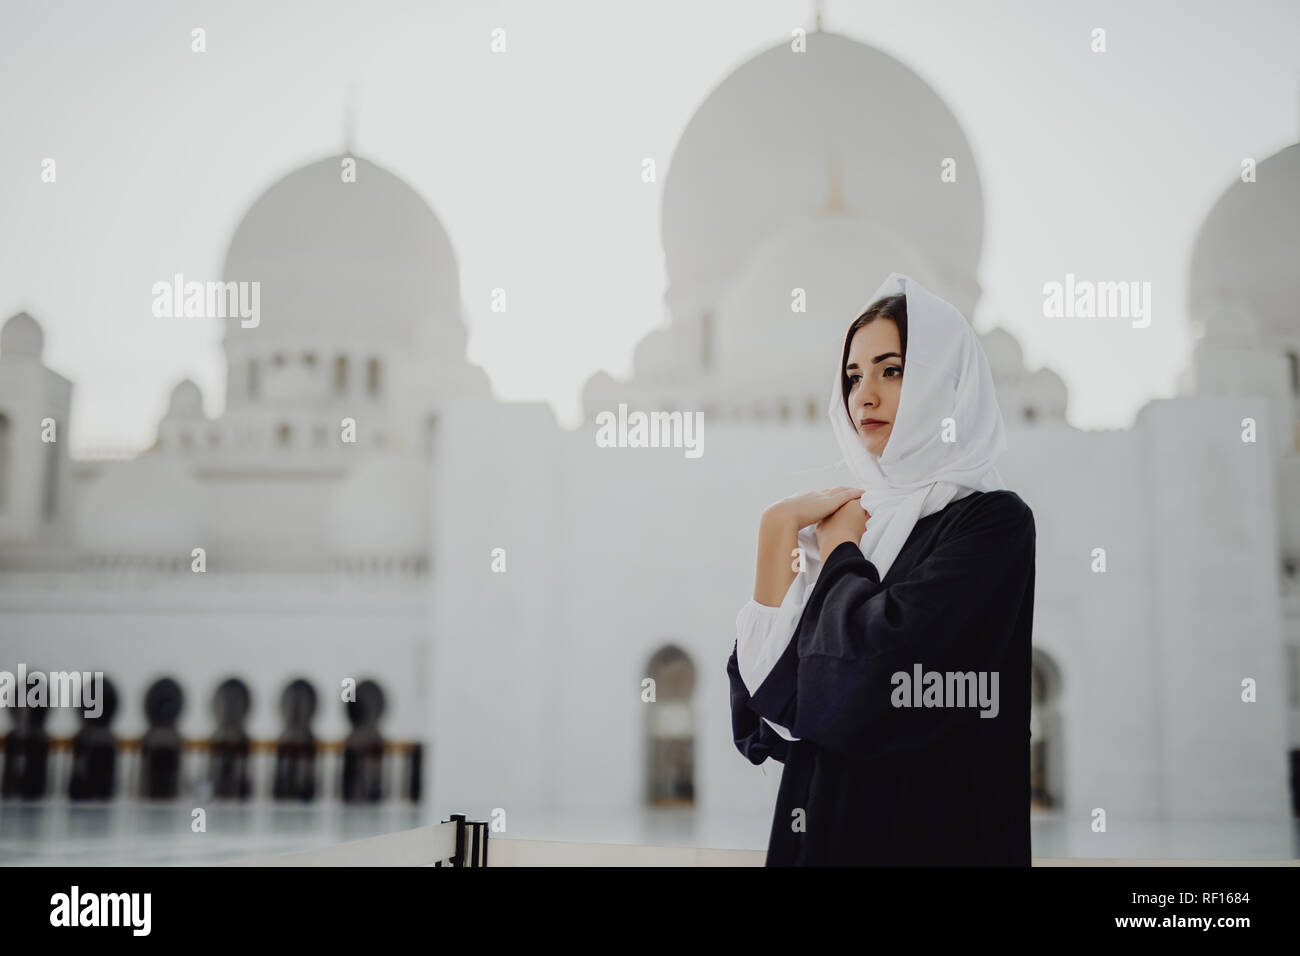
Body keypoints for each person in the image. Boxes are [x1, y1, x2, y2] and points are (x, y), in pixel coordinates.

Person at [726, 272, 1036, 866]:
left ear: (945, 384)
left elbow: (872, 682)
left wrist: (844, 555)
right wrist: (776, 530)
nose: (864, 395)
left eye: (892, 370)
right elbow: (764, 717)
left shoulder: (991, 524)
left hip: (928, 838)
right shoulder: (854, 517)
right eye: (853, 376)